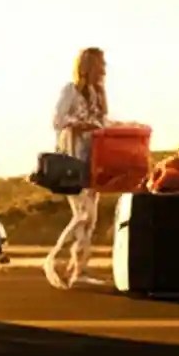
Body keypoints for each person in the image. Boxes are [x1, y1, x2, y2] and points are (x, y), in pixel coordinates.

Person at [44, 47, 109, 290]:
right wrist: (79, 124)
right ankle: (56, 260)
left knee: (89, 220)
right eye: (100, 64)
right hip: (73, 160)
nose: (104, 69)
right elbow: (58, 121)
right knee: (84, 214)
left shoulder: (98, 93)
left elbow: (101, 121)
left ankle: (77, 270)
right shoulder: (70, 91)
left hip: (95, 159)